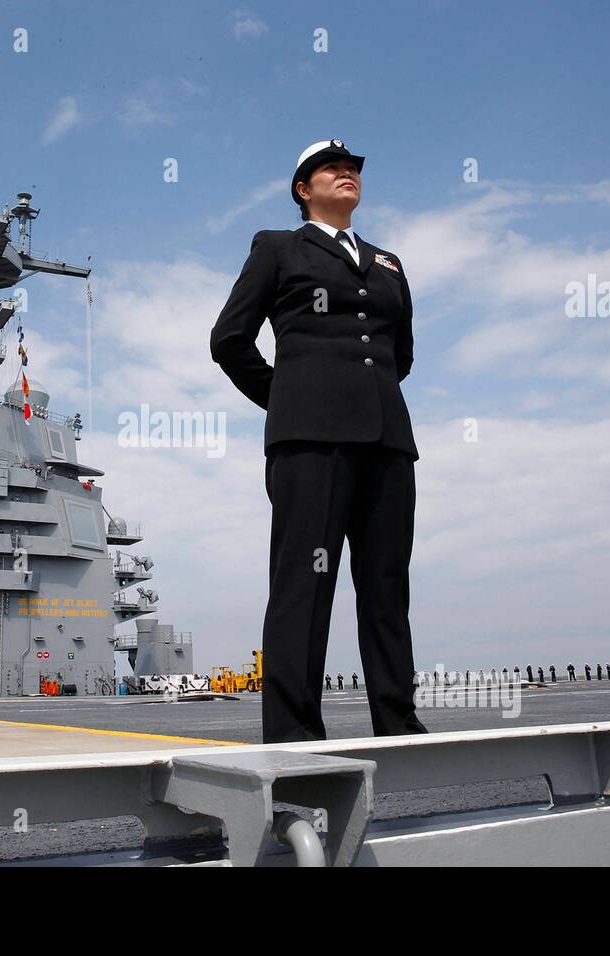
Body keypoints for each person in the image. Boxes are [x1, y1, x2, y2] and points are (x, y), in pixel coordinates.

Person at [210, 139, 424, 743]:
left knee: (386, 583)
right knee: (305, 582)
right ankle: (295, 730)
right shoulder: (277, 247)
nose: (347, 174)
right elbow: (228, 339)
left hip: (387, 440)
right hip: (309, 441)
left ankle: (397, 719)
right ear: (304, 188)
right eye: (333, 168)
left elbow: (399, 353)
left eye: (354, 169)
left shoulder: (389, 263)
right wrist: (288, 398)